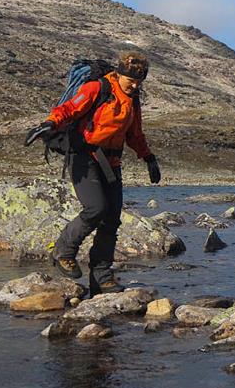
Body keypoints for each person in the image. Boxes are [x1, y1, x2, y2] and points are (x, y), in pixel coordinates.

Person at [24, 52, 161, 294]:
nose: (135, 86)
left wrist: (148, 157)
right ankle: (63, 250)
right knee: (96, 208)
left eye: (139, 82)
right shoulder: (97, 88)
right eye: (131, 81)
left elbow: (134, 134)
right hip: (84, 156)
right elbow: (69, 109)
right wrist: (49, 123)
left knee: (112, 219)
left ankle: (101, 278)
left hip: (112, 162)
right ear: (119, 74)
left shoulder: (133, 100)